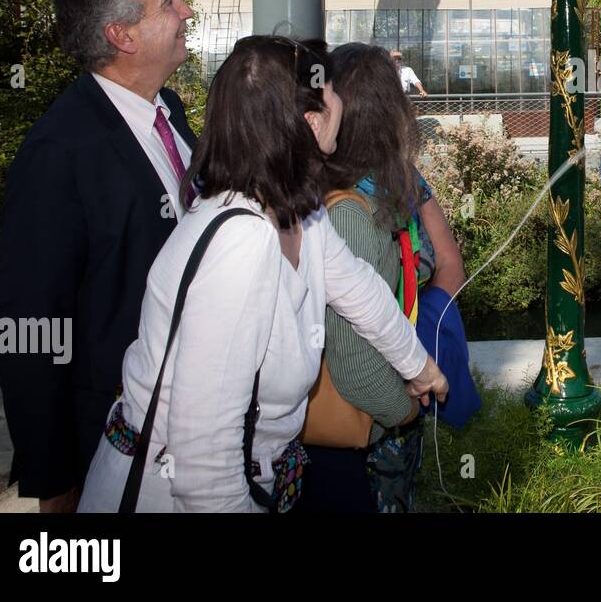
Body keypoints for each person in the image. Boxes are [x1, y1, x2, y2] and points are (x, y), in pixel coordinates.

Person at [76, 36, 448, 512]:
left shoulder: (298, 212)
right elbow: (205, 465)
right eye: (333, 91)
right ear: (313, 121)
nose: (342, 102)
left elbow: (361, 293)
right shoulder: (243, 243)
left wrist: (420, 369)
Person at [0, 0, 196, 513]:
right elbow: (30, 324)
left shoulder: (169, 111)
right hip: (107, 442)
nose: (185, 10)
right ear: (122, 35)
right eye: (169, 1)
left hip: (184, 425)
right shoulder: (60, 152)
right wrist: (54, 477)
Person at [299, 42, 470, 513]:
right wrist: (406, 406)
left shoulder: (399, 180)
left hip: (398, 386)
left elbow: (448, 264)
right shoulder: (347, 210)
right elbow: (351, 358)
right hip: (362, 418)